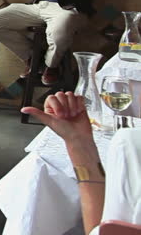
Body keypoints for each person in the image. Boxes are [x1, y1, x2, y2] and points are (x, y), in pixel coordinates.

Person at [22, 93, 141, 234]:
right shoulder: (131, 144)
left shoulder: (130, 144)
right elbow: (105, 229)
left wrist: (78, 143)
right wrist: (78, 142)